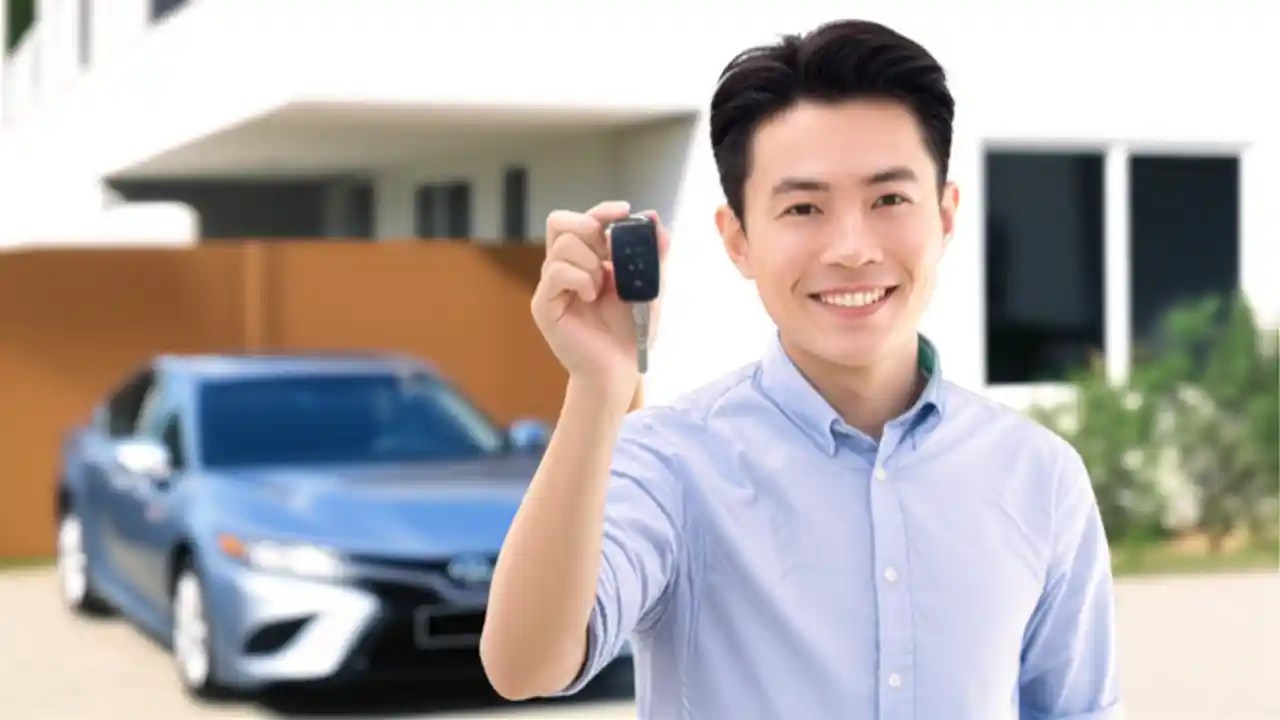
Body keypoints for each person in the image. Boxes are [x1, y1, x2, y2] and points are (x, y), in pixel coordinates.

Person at [480, 17, 1122, 720]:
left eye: (888, 200)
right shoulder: (670, 463)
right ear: (738, 240)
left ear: (944, 216)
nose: (851, 248)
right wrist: (600, 386)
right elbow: (525, 668)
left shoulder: (1039, 476)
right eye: (804, 207)